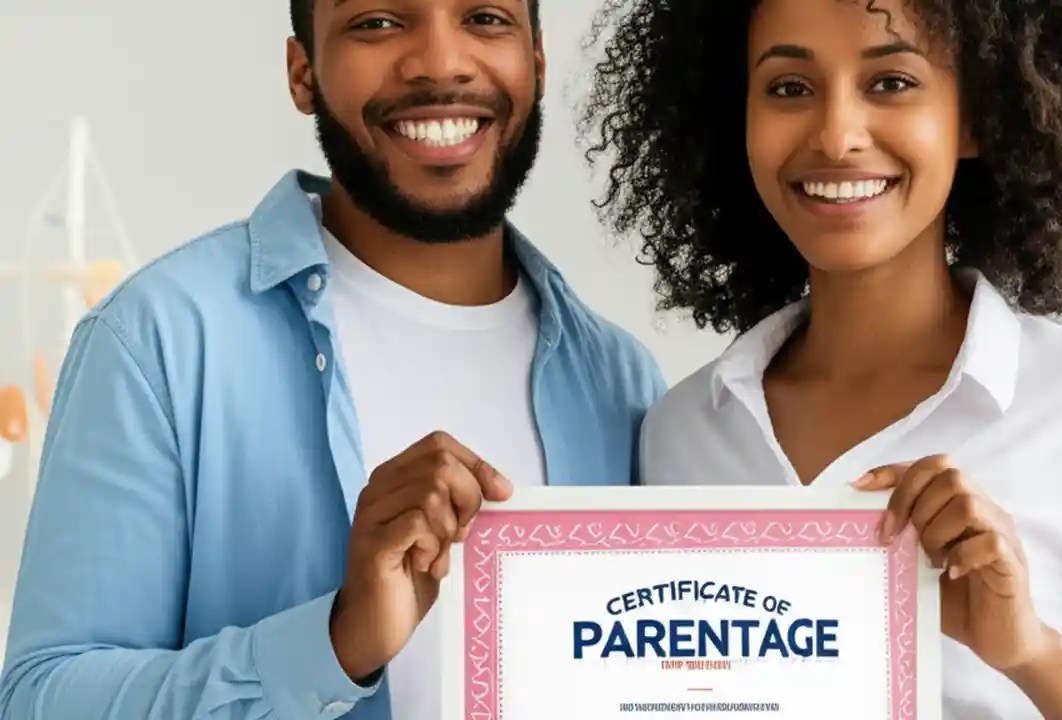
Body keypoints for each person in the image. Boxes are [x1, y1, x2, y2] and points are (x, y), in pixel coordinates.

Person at [582, 0, 1062, 717]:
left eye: (891, 83)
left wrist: (1032, 653)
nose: (837, 136)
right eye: (789, 88)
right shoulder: (681, 431)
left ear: (975, 116)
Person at [0, 0, 665, 718]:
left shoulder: (623, 385)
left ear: (535, 60)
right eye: (377, 21)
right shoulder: (158, 340)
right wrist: (333, 644)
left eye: (484, 17)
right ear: (303, 73)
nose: (441, 63)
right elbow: (41, 699)